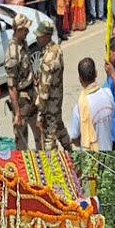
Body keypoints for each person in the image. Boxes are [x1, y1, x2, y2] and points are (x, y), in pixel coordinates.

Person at [35, 21, 71, 150]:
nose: (37, 38)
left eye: (39, 36)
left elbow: (44, 90)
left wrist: (39, 116)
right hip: (57, 99)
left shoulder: (48, 57)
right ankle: (69, 150)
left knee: (49, 138)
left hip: (50, 104)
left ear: (47, 36)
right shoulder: (56, 49)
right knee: (59, 125)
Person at [6, 15, 39, 149]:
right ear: (19, 30)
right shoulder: (13, 54)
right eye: (25, 29)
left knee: (40, 133)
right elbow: (12, 87)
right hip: (22, 101)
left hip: (32, 96)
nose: (28, 32)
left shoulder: (23, 43)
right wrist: (17, 114)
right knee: (22, 142)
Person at [69, 58, 115, 151]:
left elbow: (74, 137)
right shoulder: (108, 94)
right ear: (96, 73)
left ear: (80, 79)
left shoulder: (79, 107)